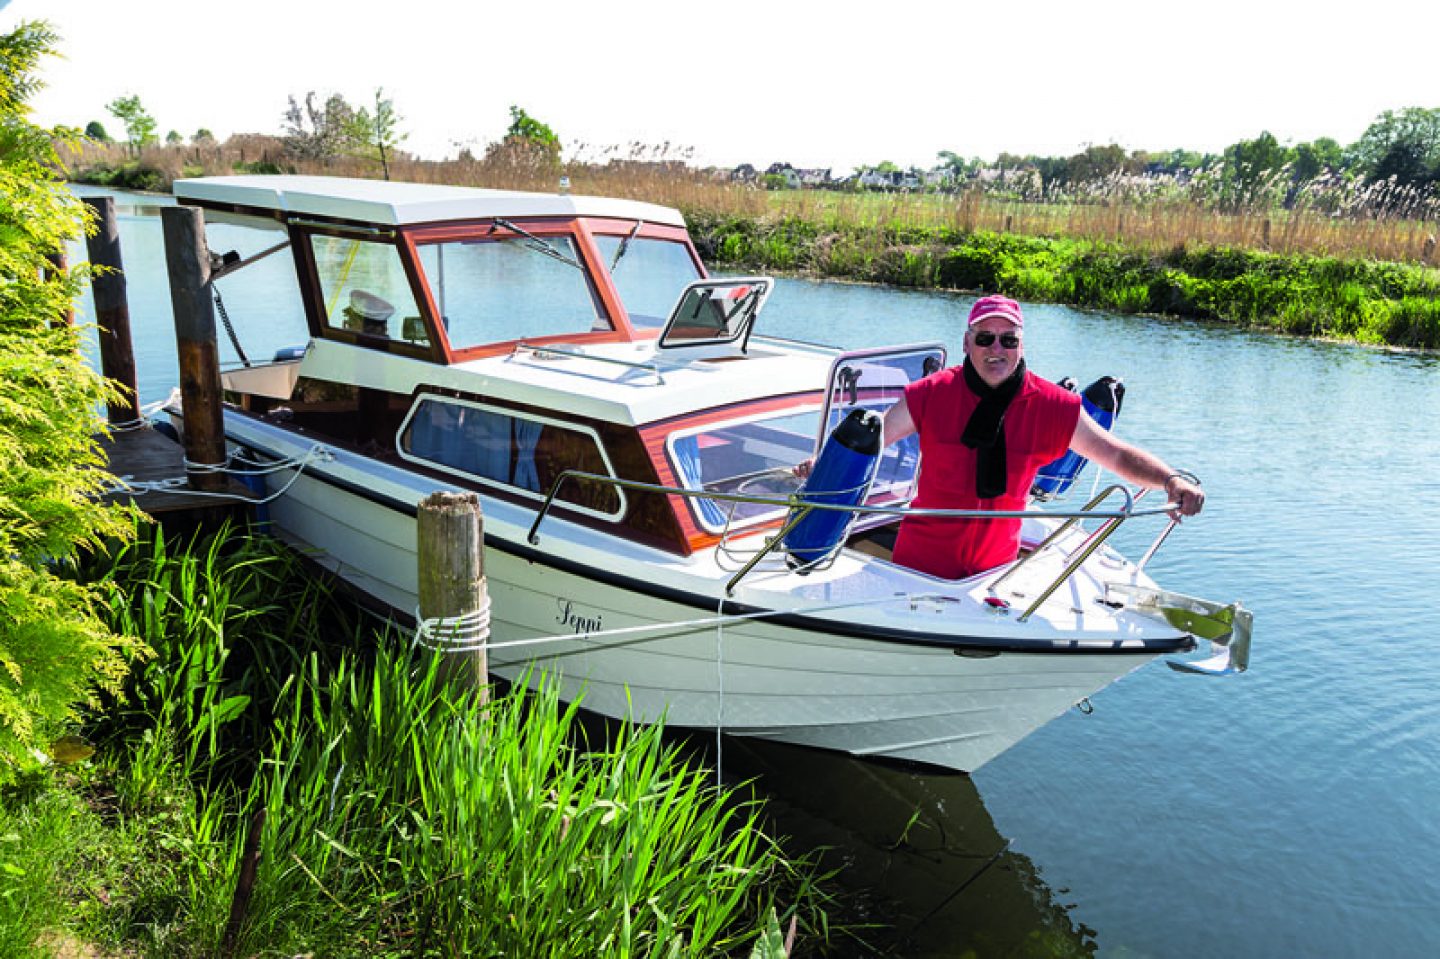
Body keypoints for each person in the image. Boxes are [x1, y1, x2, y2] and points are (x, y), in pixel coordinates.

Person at [876, 294, 1204, 580]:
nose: (996, 349)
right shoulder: (930, 394)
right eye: (985, 338)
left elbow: (1114, 454)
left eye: (1008, 340)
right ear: (966, 342)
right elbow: (869, 444)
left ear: (1021, 345)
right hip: (915, 571)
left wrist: (1171, 480)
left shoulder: (1053, 405)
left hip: (992, 578)